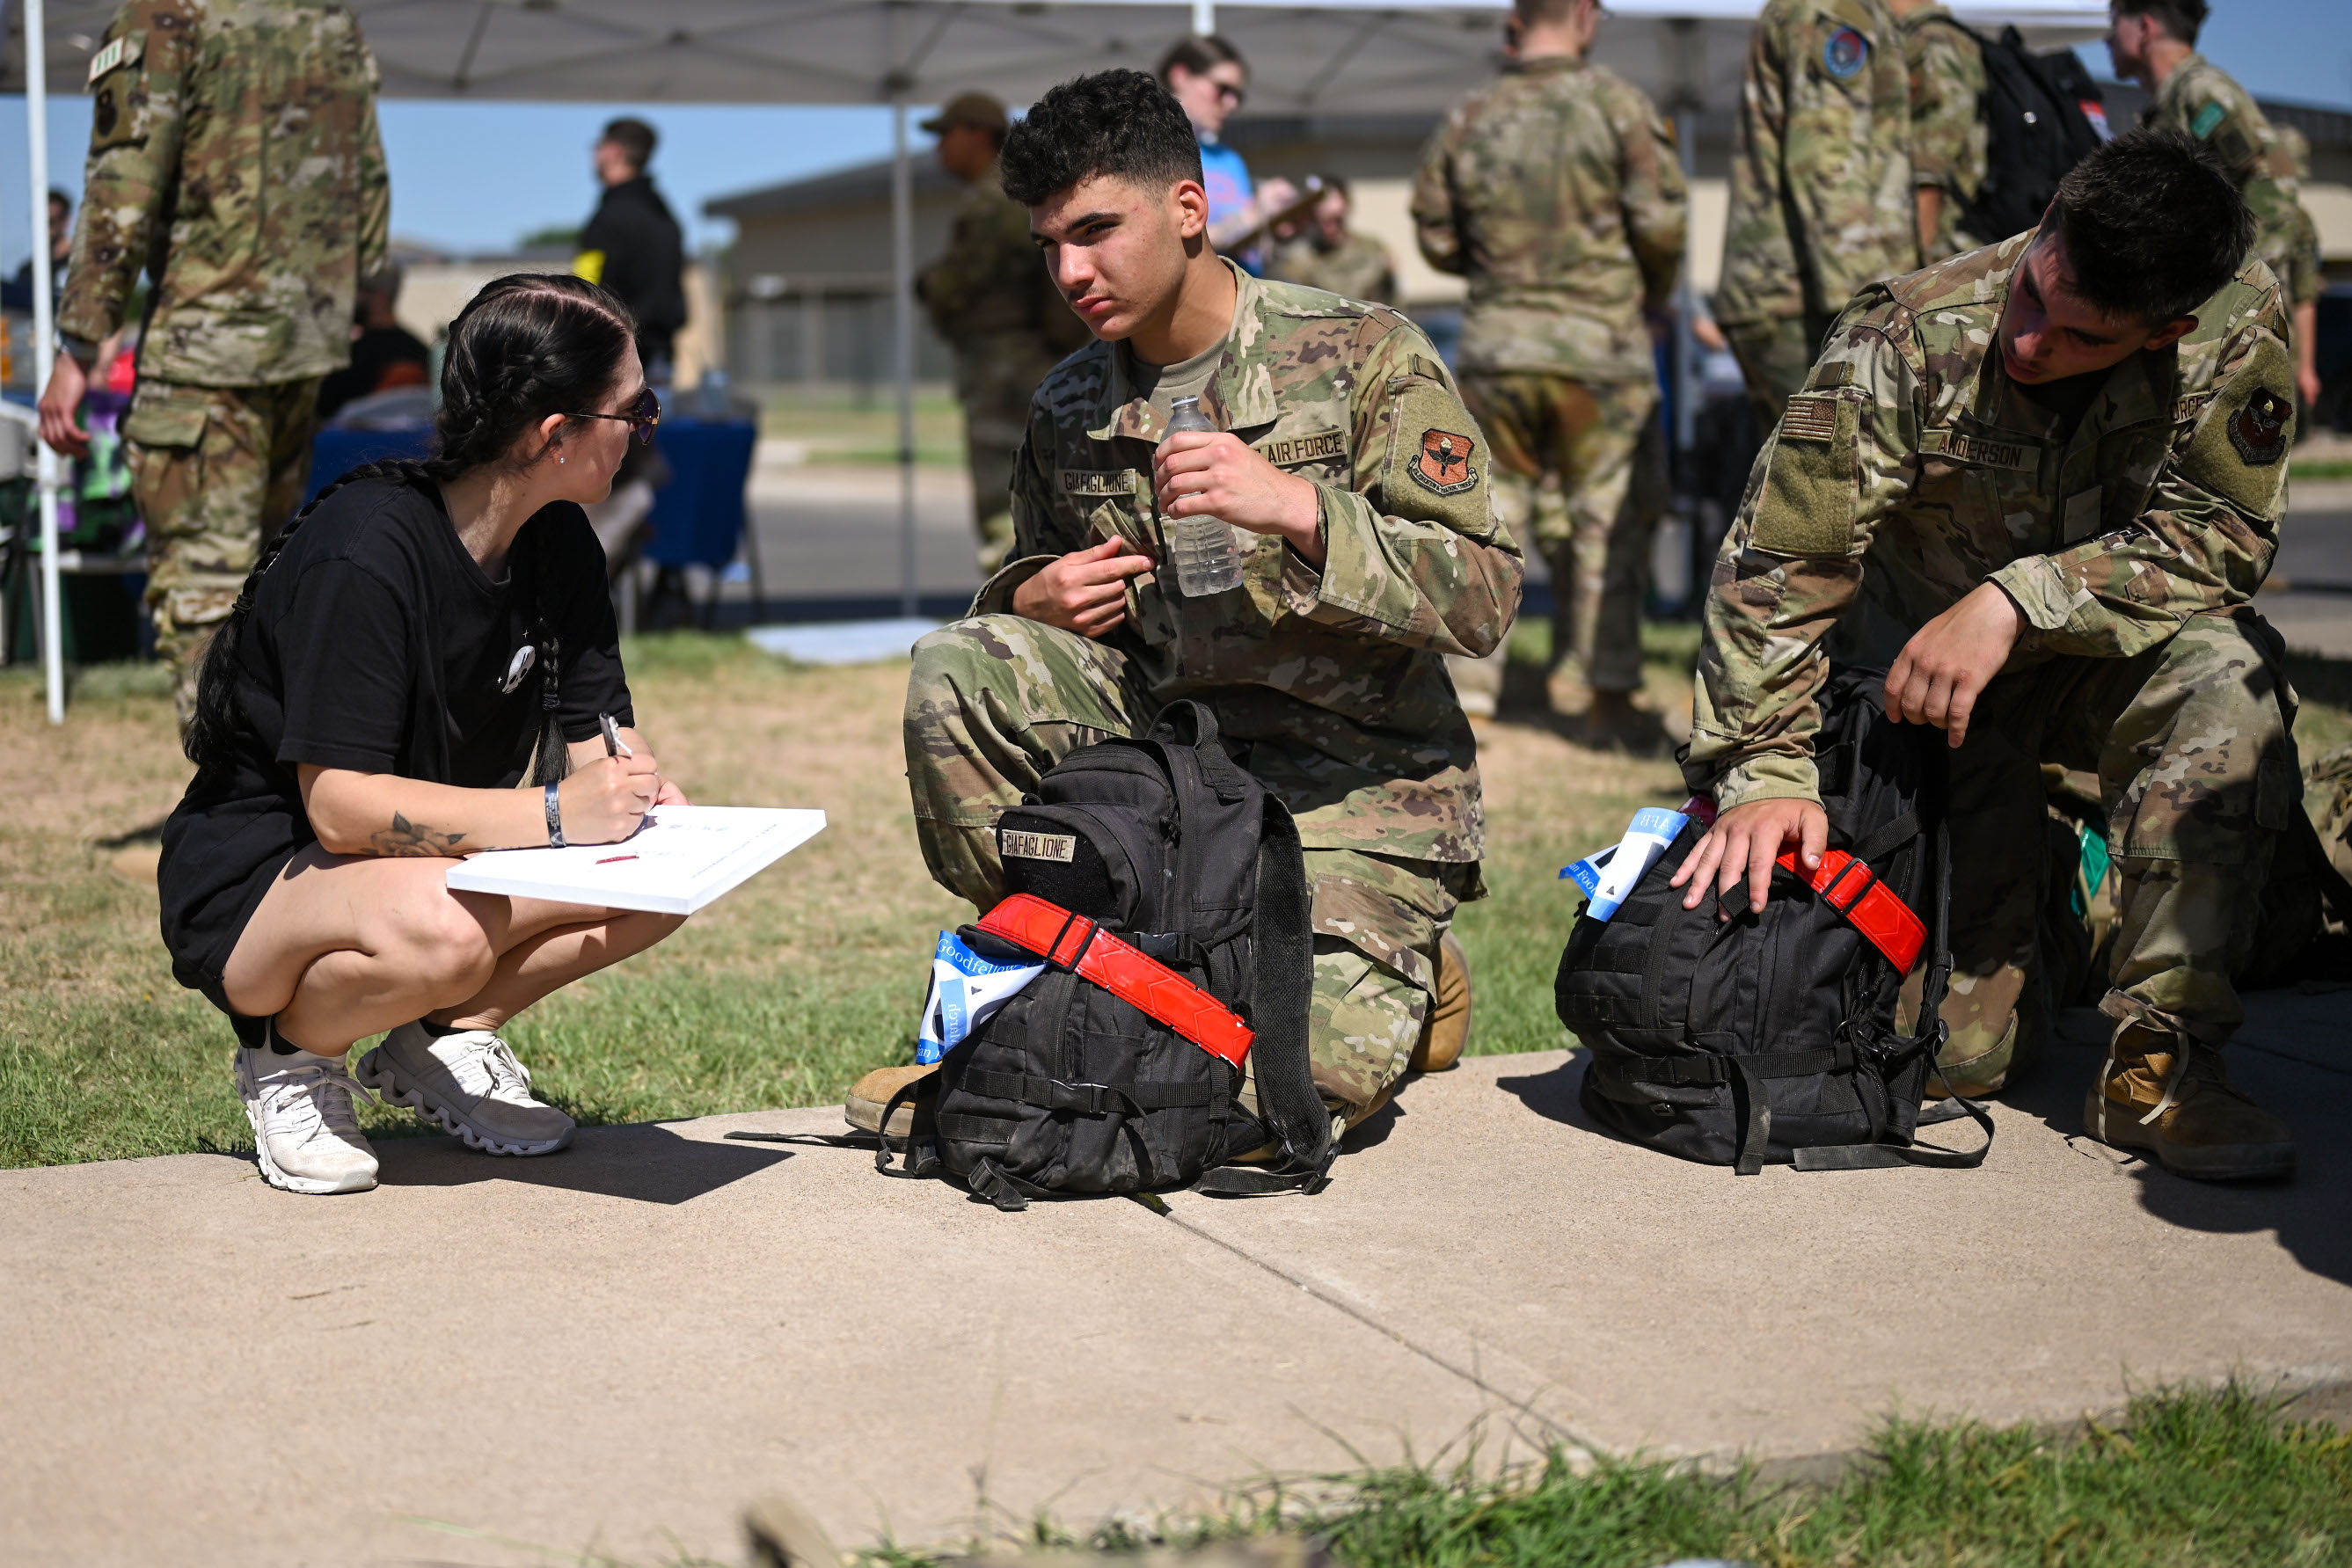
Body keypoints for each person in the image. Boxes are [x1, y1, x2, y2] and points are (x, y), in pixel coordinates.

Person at [855, 69, 1518, 1147]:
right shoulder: (1069, 400)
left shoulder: (1360, 353)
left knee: (1262, 1100)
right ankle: (1051, 951)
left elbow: (1486, 595)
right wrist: (1031, 594)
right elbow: (1025, 584)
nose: (1072, 270)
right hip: (1168, 784)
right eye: (1048, 245)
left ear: (1189, 209)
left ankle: (1402, 963)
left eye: (1097, 230)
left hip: (1351, 788)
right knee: (961, 665)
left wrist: (1302, 510)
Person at [1676, 129, 2301, 1182]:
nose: (2027, 344)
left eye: (2076, 336)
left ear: (2166, 331)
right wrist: (1766, 771)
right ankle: (2074, 899)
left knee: (2228, 677)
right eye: (2030, 301)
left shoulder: (2233, 333)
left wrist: (2019, 599)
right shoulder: (1910, 332)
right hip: (1927, 711)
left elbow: (2220, 540)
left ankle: (2165, 1059)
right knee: (1962, 1060)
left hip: (2094, 669)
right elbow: (1781, 562)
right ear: (2050, 214)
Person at [158, 274, 690, 1196]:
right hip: (265, 880)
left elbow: (600, 736)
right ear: (554, 433)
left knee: (668, 882)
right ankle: (292, 1056)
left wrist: (638, 792)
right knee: (444, 933)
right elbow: (339, 806)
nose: (647, 429)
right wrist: (565, 813)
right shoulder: (367, 553)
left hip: (426, 872)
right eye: (634, 411)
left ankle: (440, 1039)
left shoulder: (560, 542)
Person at [40, 0, 387, 733]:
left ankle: (237, 825)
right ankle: (276, 812)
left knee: (204, 596)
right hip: (303, 344)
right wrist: (336, 302)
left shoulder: (165, 17)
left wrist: (79, 343)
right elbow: (369, 185)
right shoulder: (326, 19)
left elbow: (121, 192)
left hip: (206, 351)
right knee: (273, 589)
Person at [1412, 0, 1686, 741]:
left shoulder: (1472, 113)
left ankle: (1471, 691)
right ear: (1586, 16)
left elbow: (1434, 230)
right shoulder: (1620, 108)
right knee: (1610, 519)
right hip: (1600, 349)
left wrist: (1498, 268)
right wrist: (1646, 295)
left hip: (1500, 345)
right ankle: (1603, 691)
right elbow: (1662, 226)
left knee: (1486, 510)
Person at [1715, 0, 1917, 429]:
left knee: (1802, 482)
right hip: (1809, 301)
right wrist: (1876, 312)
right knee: (1837, 480)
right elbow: (1829, 165)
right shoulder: (1834, 12)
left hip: (1791, 295)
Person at [917, 91, 1093, 574]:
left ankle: (1015, 603)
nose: (939, 151)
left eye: (946, 136)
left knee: (1004, 498)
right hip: (1037, 362)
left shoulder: (992, 200)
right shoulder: (1020, 191)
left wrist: (927, 284)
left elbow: (953, 287)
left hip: (1004, 368)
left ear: (976, 134)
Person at [2106, 3, 2305, 376]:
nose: (2107, 37)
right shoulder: (2171, 103)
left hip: (2233, 321)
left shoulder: (2201, 91)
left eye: (2115, 24)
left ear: (2145, 27)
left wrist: (2246, 284)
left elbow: (2273, 177)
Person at [1158, 34, 1296, 275]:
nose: (1231, 103)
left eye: (1237, 95)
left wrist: (1276, 223)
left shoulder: (1231, 160)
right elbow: (1171, 240)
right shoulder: (1150, 154)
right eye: (1222, 89)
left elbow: (1251, 250)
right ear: (1180, 76)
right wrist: (1255, 215)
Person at [574, 116, 687, 383]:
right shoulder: (666, 217)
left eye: (598, 147)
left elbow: (583, 289)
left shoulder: (608, 219)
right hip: (661, 357)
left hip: (613, 357)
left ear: (614, 151)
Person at [1895, 0, 1986, 263]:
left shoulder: (1931, 43)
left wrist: (1905, 283)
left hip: (1942, 254)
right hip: (1950, 252)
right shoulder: (1944, 37)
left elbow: (1929, 173)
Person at [316, 264, 430, 421]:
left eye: (356, 291)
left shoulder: (351, 357)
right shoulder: (422, 351)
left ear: (380, 297)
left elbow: (320, 413)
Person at [1268, 176, 1396, 304]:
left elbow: (1391, 297)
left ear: (1346, 205)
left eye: (1335, 219)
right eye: (1323, 220)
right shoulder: (1299, 260)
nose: (1329, 226)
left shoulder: (1373, 248)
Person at [1, 189, 71, 311]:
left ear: (66, 220)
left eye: (50, 221)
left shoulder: (82, 265)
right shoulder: (28, 270)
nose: (44, 228)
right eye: (38, 222)